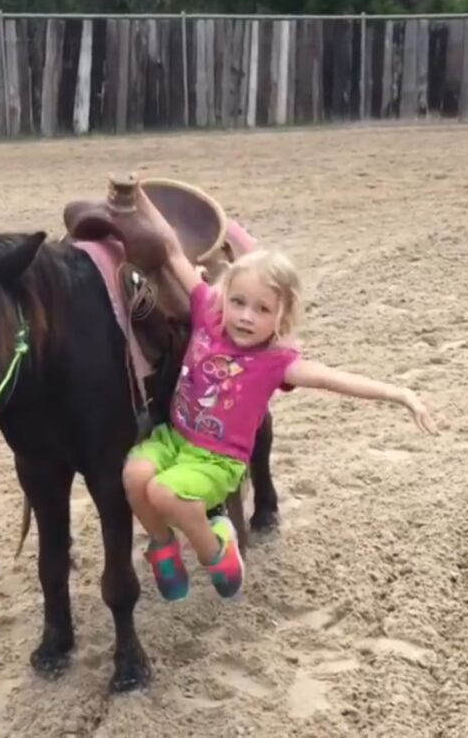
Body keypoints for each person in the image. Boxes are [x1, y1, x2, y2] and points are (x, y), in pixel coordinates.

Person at [122, 183, 439, 602]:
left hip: (217, 460)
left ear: (282, 318)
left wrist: (400, 393)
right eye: (238, 302)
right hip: (176, 440)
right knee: (135, 475)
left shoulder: (277, 362)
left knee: (165, 492)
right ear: (224, 297)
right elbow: (175, 253)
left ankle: (217, 549)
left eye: (263, 309)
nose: (246, 317)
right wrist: (139, 196)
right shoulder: (206, 313)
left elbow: (331, 378)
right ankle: (163, 547)